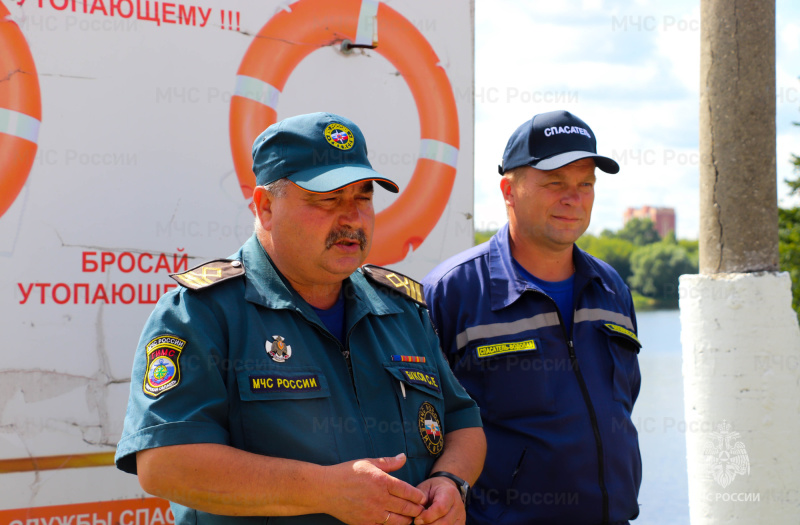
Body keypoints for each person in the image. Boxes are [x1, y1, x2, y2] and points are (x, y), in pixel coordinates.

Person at [116, 112, 486, 525]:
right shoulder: (202, 312)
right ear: (265, 207)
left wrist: (451, 480)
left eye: (363, 197)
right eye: (327, 199)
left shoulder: (401, 309)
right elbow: (165, 465)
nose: (352, 218)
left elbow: (462, 420)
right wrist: (326, 491)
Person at [422, 110, 641, 525]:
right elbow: (424, 428)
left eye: (585, 185)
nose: (573, 198)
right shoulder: (452, 291)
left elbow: (622, 405)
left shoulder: (611, 288)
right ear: (509, 190)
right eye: (555, 183)